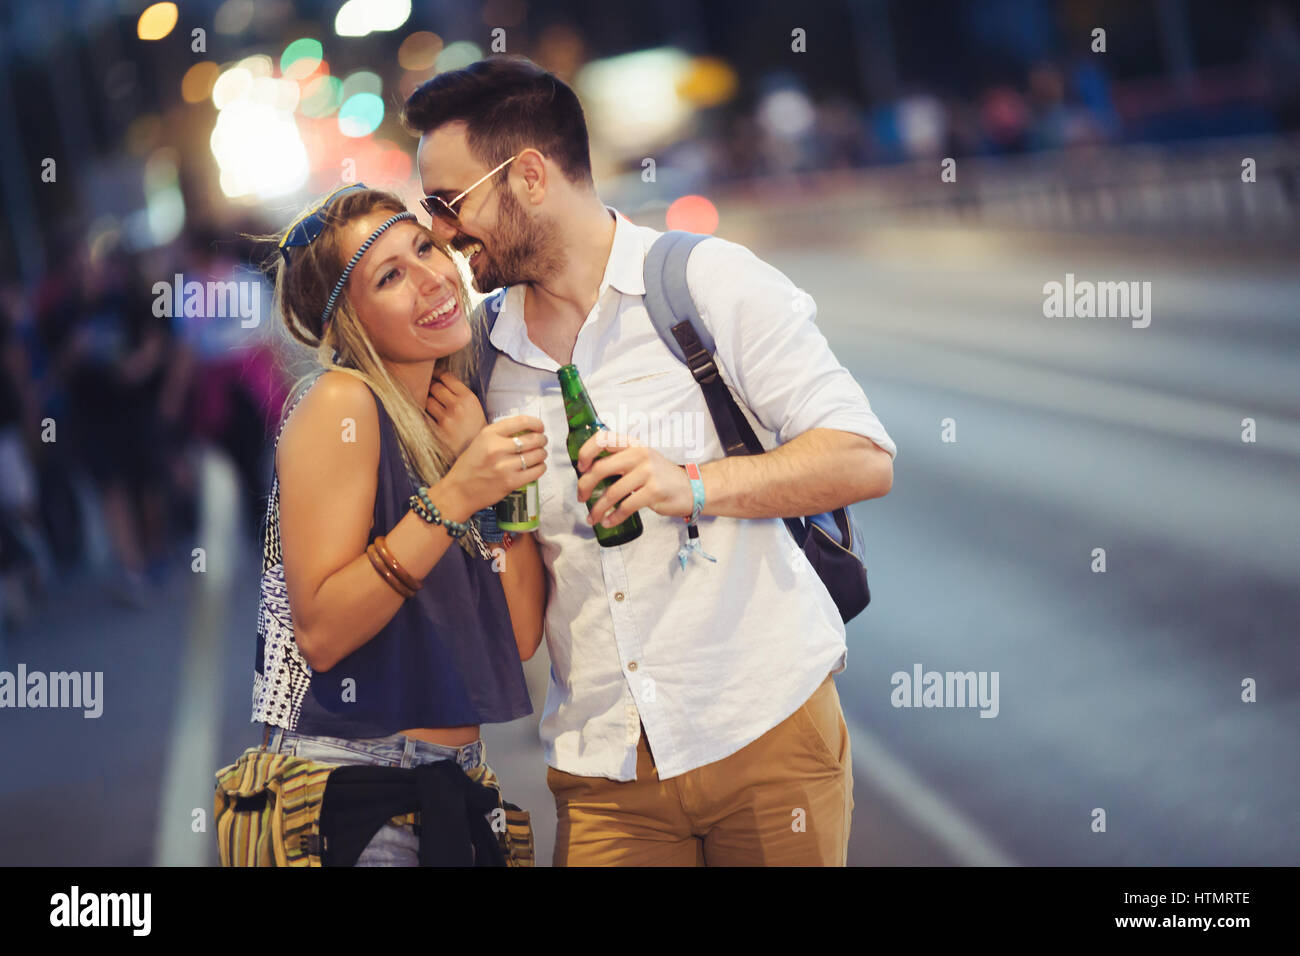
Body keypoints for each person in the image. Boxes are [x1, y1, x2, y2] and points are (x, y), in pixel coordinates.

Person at [404, 57, 897, 866]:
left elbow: (863, 457)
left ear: (528, 176)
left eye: (449, 203)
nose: (444, 233)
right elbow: (511, 609)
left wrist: (691, 485)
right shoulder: (479, 362)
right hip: (603, 772)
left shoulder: (705, 282)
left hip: (764, 731)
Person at [252, 183, 549, 865]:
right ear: (344, 324)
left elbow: (523, 631)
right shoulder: (340, 403)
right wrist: (456, 492)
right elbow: (321, 633)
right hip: (364, 794)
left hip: (455, 784)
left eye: (424, 247)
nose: (431, 278)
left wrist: (491, 487)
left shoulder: (449, 415)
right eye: (389, 276)